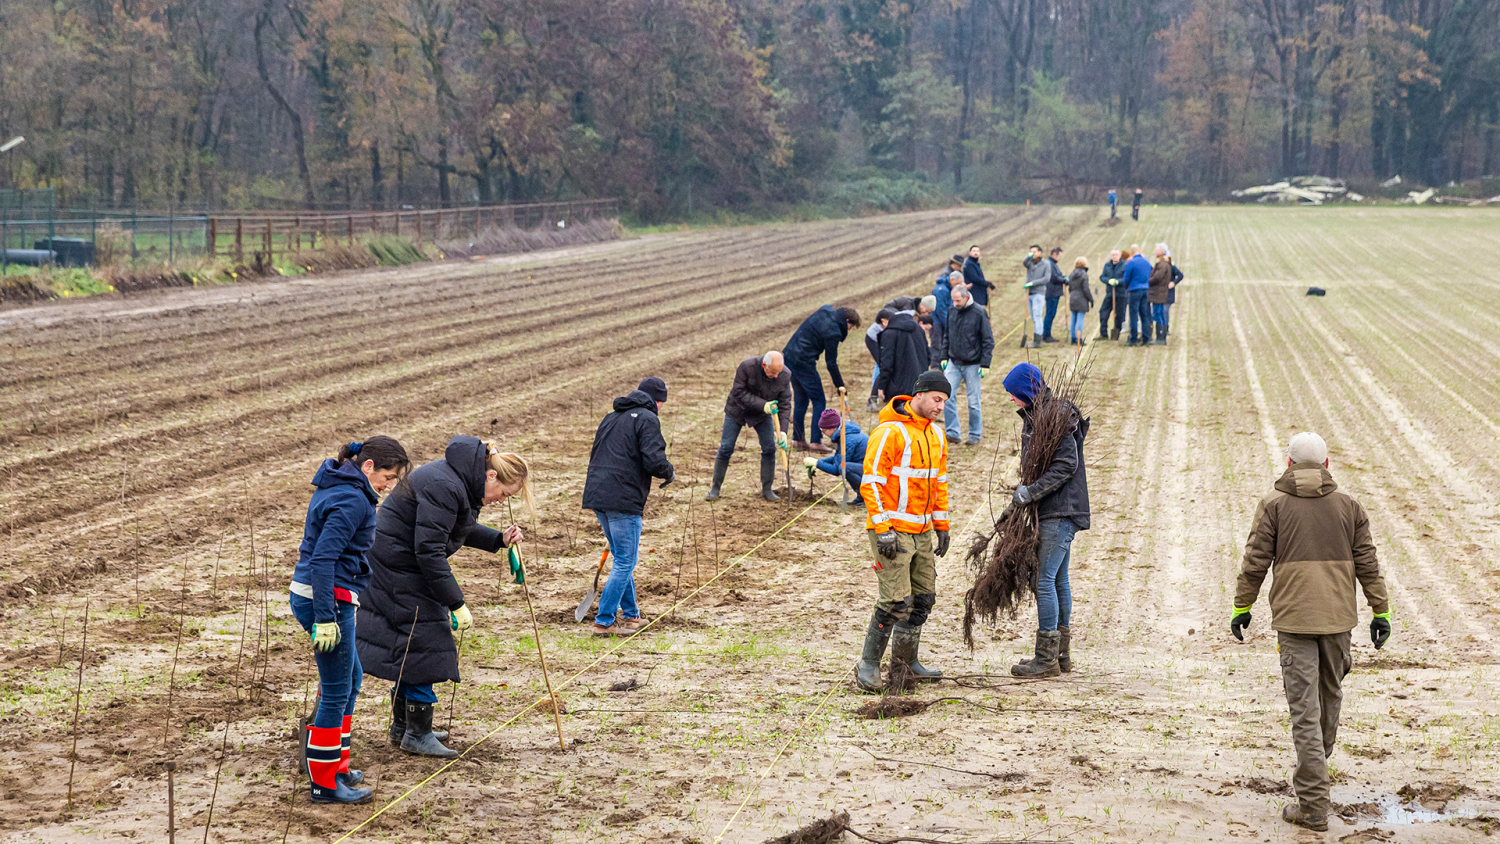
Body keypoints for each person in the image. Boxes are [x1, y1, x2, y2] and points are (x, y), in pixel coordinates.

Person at [1232, 432, 1391, 833]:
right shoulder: (1349, 506)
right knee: (1329, 699)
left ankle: (1313, 804)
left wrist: (1242, 606)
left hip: (1294, 620)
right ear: (1326, 464)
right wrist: (1380, 610)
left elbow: (1255, 560)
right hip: (1339, 620)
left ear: (1288, 464)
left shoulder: (1273, 505)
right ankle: (1314, 783)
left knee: (1305, 710)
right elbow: (1367, 561)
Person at [358, 436, 532, 759]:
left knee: (413, 641)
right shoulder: (446, 485)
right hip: (396, 563)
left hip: (401, 559)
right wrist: (456, 602)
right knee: (427, 640)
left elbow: (456, 527)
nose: (499, 501)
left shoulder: (458, 482)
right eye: (504, 494)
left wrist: (499, 539)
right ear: (491, 476)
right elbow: (429, 551)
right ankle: (417, 733)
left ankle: (404, 727)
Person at [291, 436, 410, 804]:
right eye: (387, 477)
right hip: (327, 600)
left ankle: (337, 764)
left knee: (350, 679)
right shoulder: (351, 499)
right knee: (337, 690)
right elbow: (324, 560)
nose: (389, 486)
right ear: (368, 466)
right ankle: (325, 783)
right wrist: (326, 618)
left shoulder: (343, 486)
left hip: (325, 595)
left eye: (394, 480)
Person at [856, 369, 952, 692]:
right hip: (892, 531)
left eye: (945, 402)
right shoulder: (889, 432)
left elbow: (939, 484)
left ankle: (906, 665)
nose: (941, 407)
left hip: (922, 531)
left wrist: (942, 525)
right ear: (919, 395)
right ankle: (868, 665)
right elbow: (871, 483)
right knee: (895, 601)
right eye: (937, 400)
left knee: (923, 598)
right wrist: (882, 529)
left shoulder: (937, 436)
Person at [1003, 364, 1089, 678]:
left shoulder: (1054, 417)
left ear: (1025, 391)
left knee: (1044, 582)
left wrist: (1031, 492)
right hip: (1059, 509)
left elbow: (1067, 464)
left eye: (1013, 393)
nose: (1011, 399)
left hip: (1059, 510)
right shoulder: (1044, 415)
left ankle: (1046, 661)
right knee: (1057, 580)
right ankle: (1060, 657)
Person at [583, 377, 676, 636]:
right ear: (656, 401)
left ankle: (632, 615)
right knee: (625, 561)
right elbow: (654, 460)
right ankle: (604, 621)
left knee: (622, 557)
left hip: (598, 495)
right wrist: (668, 472)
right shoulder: (647, 418)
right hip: (623, 498)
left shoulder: (610, 417)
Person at [707, 352, 792, 502]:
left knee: (769, 448)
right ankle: (715, 489)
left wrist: (783, 431)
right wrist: (763, 404)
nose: (776, 376)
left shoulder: (784, 375)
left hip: (763, 415)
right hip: (737, 410)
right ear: (764, 366)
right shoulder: (747, 367)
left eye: (778, 372)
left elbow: (785, 404)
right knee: (726, 447)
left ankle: (767, 490)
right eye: (773, 372)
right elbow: (738, 392)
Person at [784, 305, 861, 454]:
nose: (849, 330)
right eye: (850, 327)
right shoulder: (833, 332)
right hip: (803, 361)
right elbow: (831, 363)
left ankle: (798, 440)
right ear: (846, 321)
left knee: (801, 399)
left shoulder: (825, 311)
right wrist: (840, 386)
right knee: (819, 400)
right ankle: (816, 442)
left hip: (788, 356)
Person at [940, 283, 993, 445]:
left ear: (966, 297)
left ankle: (975, 435)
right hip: (954, 362)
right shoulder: (952, 312)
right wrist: (944, 356)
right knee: (946, 397)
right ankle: (953, 432)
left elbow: (988, 340)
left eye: (958, 301)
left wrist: (985, 364)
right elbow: (947, 336)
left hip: (973, 364)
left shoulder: (979, 313)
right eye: (953, 301)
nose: (955, 304)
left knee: (973, 401)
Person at [803, 409, 867, 500]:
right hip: (864, 466)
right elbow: (839, 458)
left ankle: (865, 497)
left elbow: (836, 469)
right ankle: (862, 497)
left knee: (844, 467)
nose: (822, 433)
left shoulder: (847, 439)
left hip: (873, 471)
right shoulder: (844, 433)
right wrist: (819, 462)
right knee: (844, 466)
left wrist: (817, 463)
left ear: (833, 428)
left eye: (824, 430)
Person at [875, 305, 928, 402]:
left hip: (898, 390)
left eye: (881, 326)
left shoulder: (889, 334)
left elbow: (887, 363)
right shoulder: (919, 329)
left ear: (884, 321)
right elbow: (928, 355)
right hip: (920, 387)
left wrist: (882, 386)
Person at [1120, 245, 1153, 346]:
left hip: (1134, 290)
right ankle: (1146, 338)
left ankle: (1133, 339)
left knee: (1134, 315)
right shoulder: (1147, 261)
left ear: (1131, 252)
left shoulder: (1131, 263)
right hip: (1145, 289)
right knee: (1144, 314)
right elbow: (1150, 273)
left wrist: (1126, 286)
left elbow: (1126, 278)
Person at [1022, 245, 1051, 348]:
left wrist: (1033, 283)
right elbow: (1024, 263)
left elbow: (1046, 278)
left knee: (1037, 315)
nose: (1032, 254)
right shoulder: (1030, 262)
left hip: (1038, 293)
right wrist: (1028, 256)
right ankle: (1037, 336)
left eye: (1034, 252)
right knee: (1033, 316)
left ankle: (1038, 340)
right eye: (1031, 252)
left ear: (1040, 252)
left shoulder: (1046, 264)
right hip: (1029, 293)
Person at [865, 308, 894, 412]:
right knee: (883, 367)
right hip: (872, 340)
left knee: (885, 366)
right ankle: (873, 401)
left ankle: (882, 397)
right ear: (883, 321)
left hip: (881, 342)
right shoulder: (878, 330)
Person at [1096, 249, 1126, 340]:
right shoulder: (1107, 265)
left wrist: (1118, 281)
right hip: (1110, 293)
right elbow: (1102, 277)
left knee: (1119, 314)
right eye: (1113, 255)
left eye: (1116, 255)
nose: (1114, 256)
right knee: (1103, 312)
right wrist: (1108, 281)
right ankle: (1103, 333)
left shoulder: (1124, 265)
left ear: (1120, 256)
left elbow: (1126, 278)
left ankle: (1116, 332)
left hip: (1120, 294)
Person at [1148, 243, 1172, 345]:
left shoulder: (1162, 265)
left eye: (1157, 250)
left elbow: (1157, 278)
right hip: (1160, 293)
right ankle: (1161, 336)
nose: (1155, 251)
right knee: (1160, 313)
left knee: (1158, 314)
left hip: (1158, 293)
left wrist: (1147, 281)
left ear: (1161, 252)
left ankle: (1160, 337)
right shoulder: (1164, 264)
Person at [1042, 247, 1067, 343]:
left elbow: (1058, 276)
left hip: (1054, 293)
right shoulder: (1050, 264)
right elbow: (1054, 278)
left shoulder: (1053, 264)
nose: (1060, 258)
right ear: (1054, 255)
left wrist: (1063, 277)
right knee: (1050, 313)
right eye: (1059, 256)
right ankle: (1046, 334)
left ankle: (1047, 333)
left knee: (1051, 314)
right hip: (1052, 293)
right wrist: (1064, 280)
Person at [1067, 257, 1093, 346]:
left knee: (1073, 318)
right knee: (1080, 319)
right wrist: (1090, 299)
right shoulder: (1084, 275)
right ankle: (1079, 338)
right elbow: (1086, 289)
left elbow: (1070, 287)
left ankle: (1073, 338)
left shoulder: (1072, 274)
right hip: (1081, 298)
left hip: (1073, 297)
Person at [1166, 254, 1183, 334]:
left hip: (1169, 293)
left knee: (1165, 310)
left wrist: (1174, 283)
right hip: (1161, 292)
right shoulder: (1159, 267)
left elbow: (1180, 275)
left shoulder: (1172, 267)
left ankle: (1165, 328)